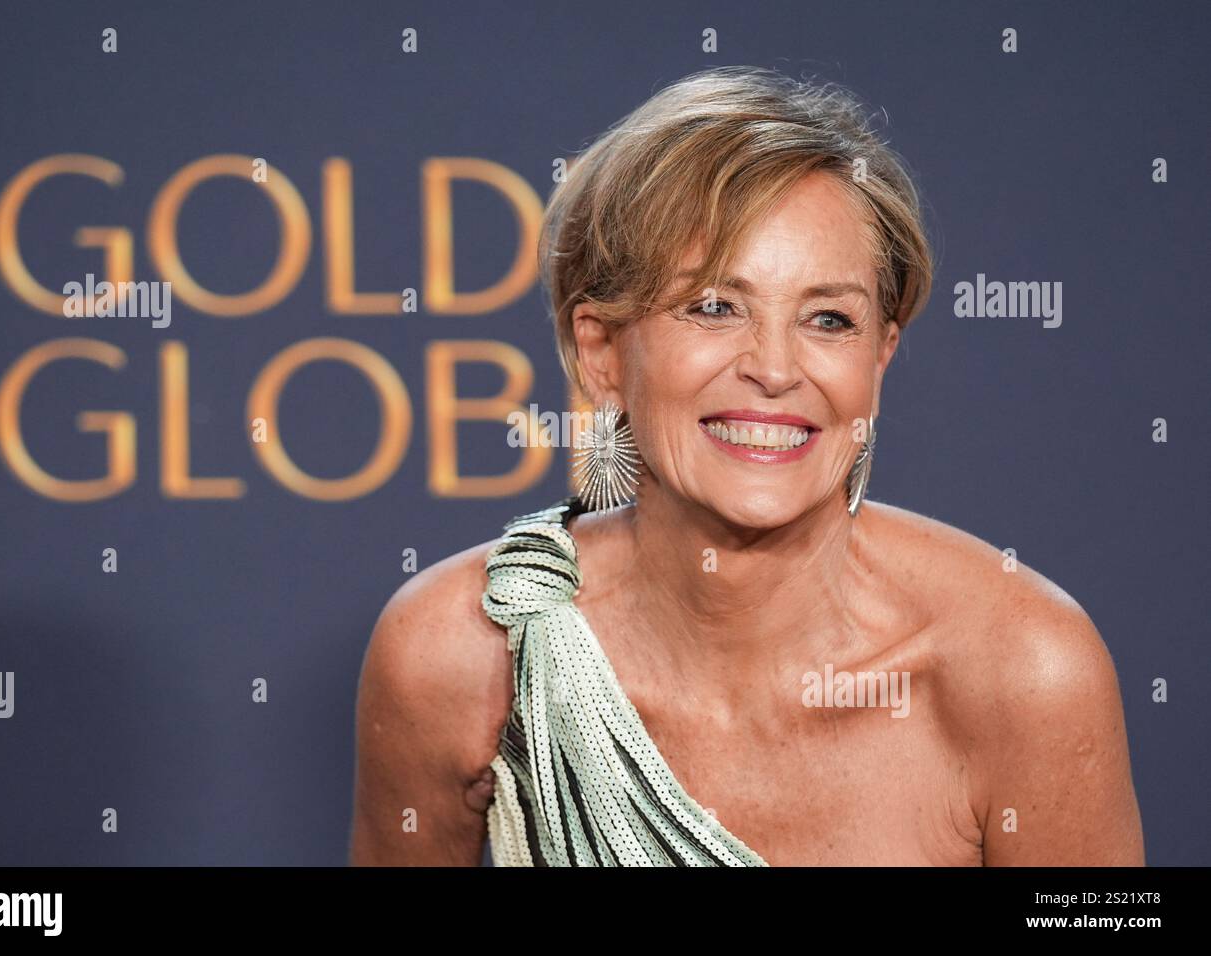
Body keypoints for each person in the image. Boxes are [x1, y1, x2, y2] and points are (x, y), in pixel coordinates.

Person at [349, 66, 1144, 866]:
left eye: (828, 319)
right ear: (601, 351)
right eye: (714, 307)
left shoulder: (1025, 670)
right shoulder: (463, 650)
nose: (774, 367)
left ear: (879, 357)